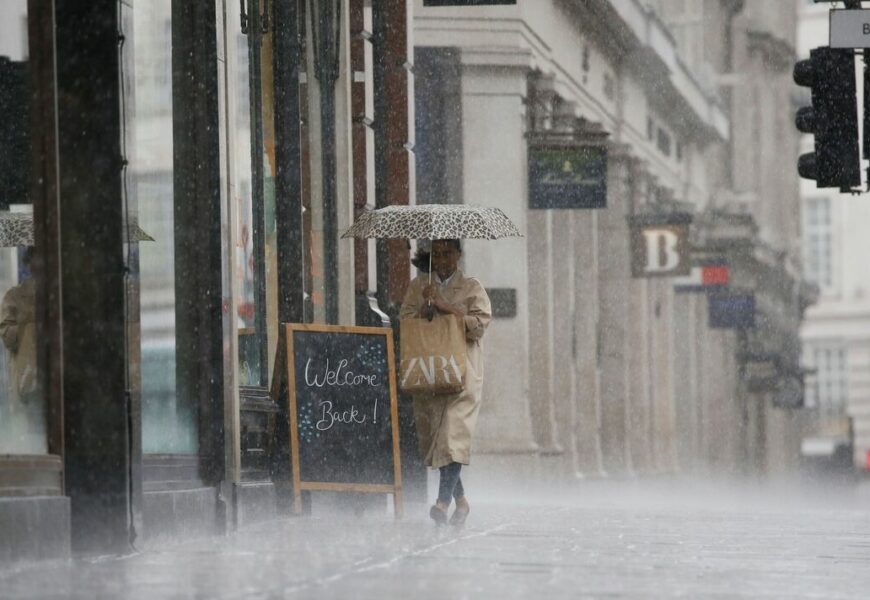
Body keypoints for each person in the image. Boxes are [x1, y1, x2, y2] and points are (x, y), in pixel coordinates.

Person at [400, 239, 492, 526]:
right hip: (428, 371)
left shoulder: (472, 287)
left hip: (462, 373)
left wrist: (445, 307)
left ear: (458, 255)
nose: (442, 260)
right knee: (439, 442)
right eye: (437, 254)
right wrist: (425, 309)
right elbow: (406, 321)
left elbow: (479, 325)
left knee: (453, 436)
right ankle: (461, 502)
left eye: (448, 254)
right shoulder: (419, 286)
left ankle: (441, 503)